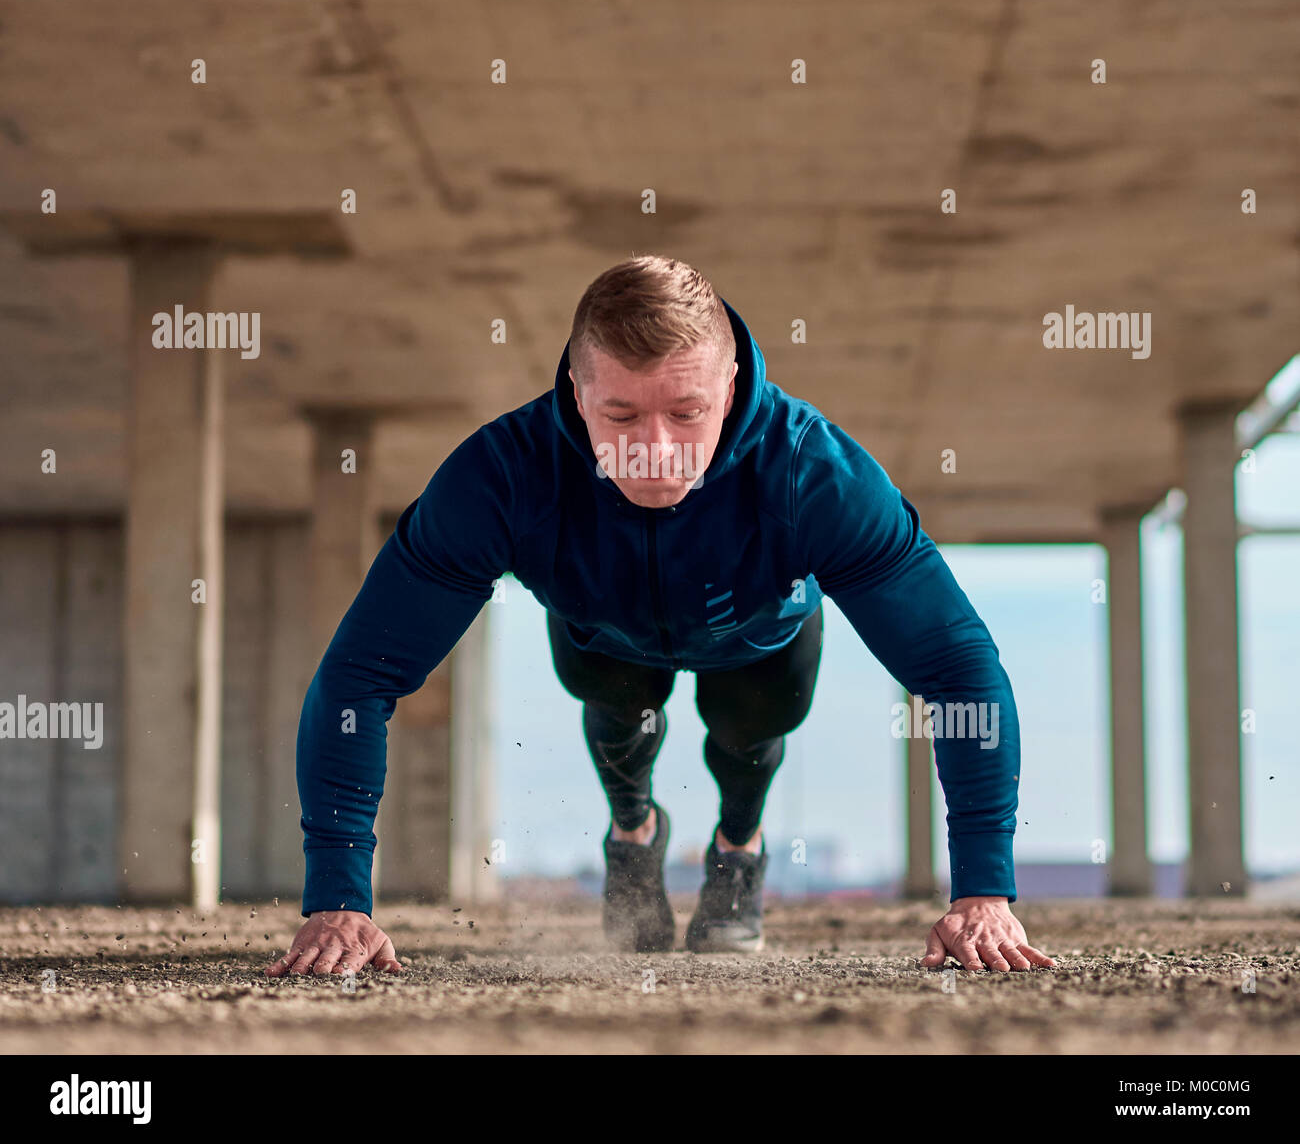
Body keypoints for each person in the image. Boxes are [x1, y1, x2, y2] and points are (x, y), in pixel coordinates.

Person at [267, 254, 1055, 979]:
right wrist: (339, 898)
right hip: (601, 635)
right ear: (576, 392)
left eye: (685, 414)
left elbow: (956, 670)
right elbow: (361, 676)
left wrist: (984, 891)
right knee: (621, 719)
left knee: (749, 734)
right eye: (620, 416)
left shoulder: (812, 473)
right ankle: (633, 837)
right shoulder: (502, 478)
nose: (653, 451)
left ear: (732, 382)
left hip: (759, 641)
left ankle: (736, 852)